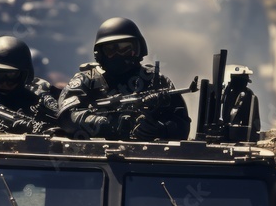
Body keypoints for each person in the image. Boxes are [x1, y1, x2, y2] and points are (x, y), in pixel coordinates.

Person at [58, 18, 191, 141]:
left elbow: (181, 125)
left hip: (146, 157)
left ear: (139, 49)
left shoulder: (156, 81)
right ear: (100, 54)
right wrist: (105, 123)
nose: (119, 55)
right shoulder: (87, 80)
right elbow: (67, 116)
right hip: (95, 155)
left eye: (125, 49)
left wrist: (159, 129)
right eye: (111, 50)